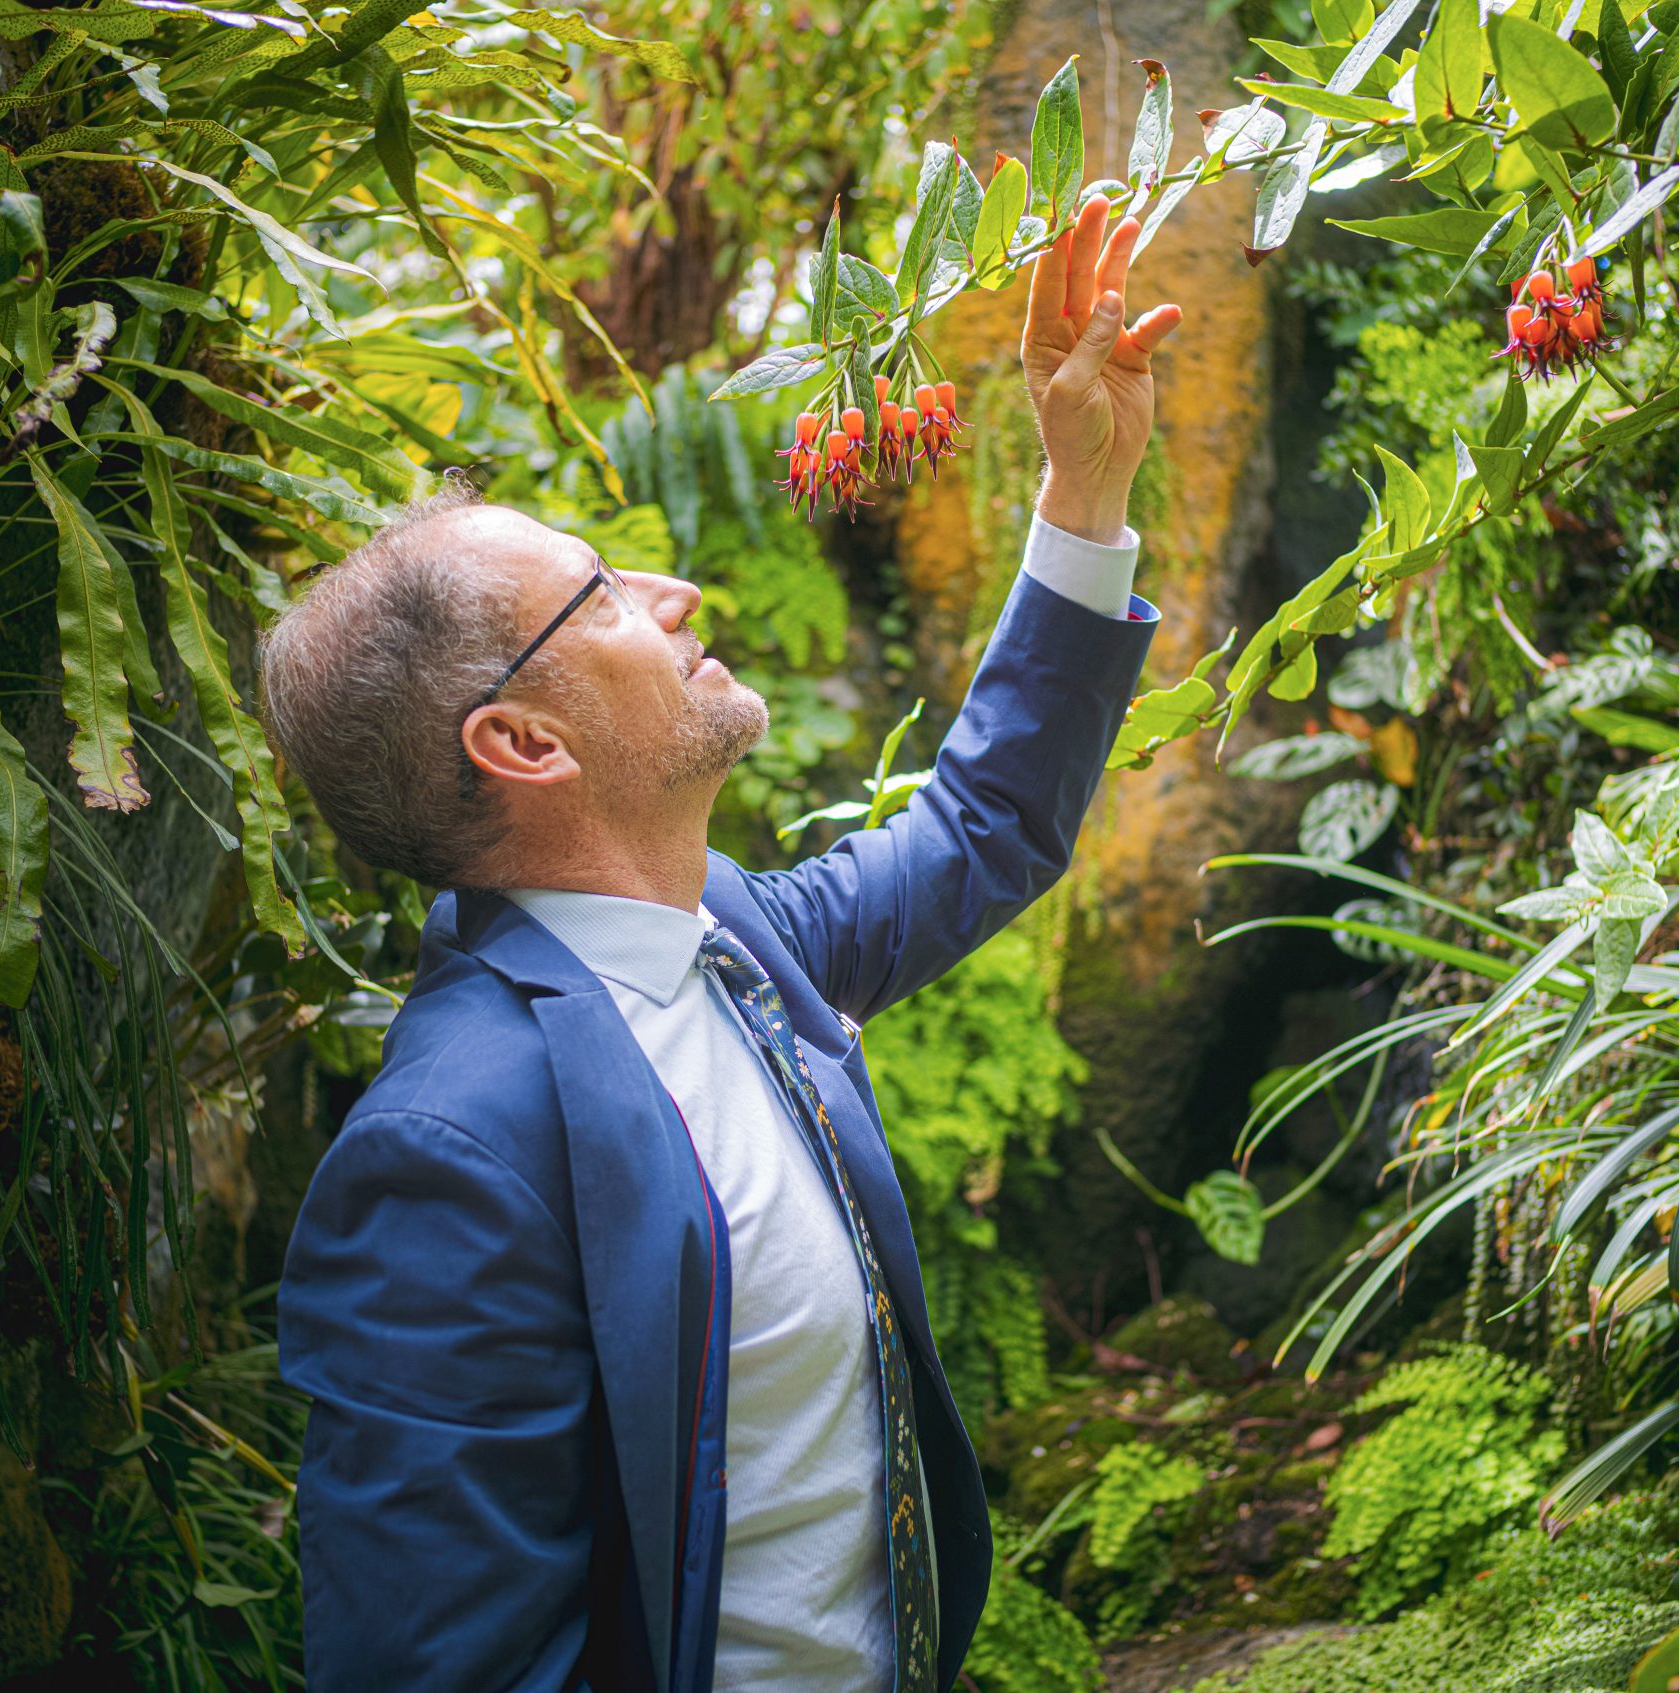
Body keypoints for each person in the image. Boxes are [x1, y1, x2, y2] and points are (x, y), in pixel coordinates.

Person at [264, 192, 1183, 1693]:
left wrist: (1085, 489)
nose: (674, 592)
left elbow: (982, 829)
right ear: (524, 741)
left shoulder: (732, 938)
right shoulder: (452, 1154)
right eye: (600, 595)